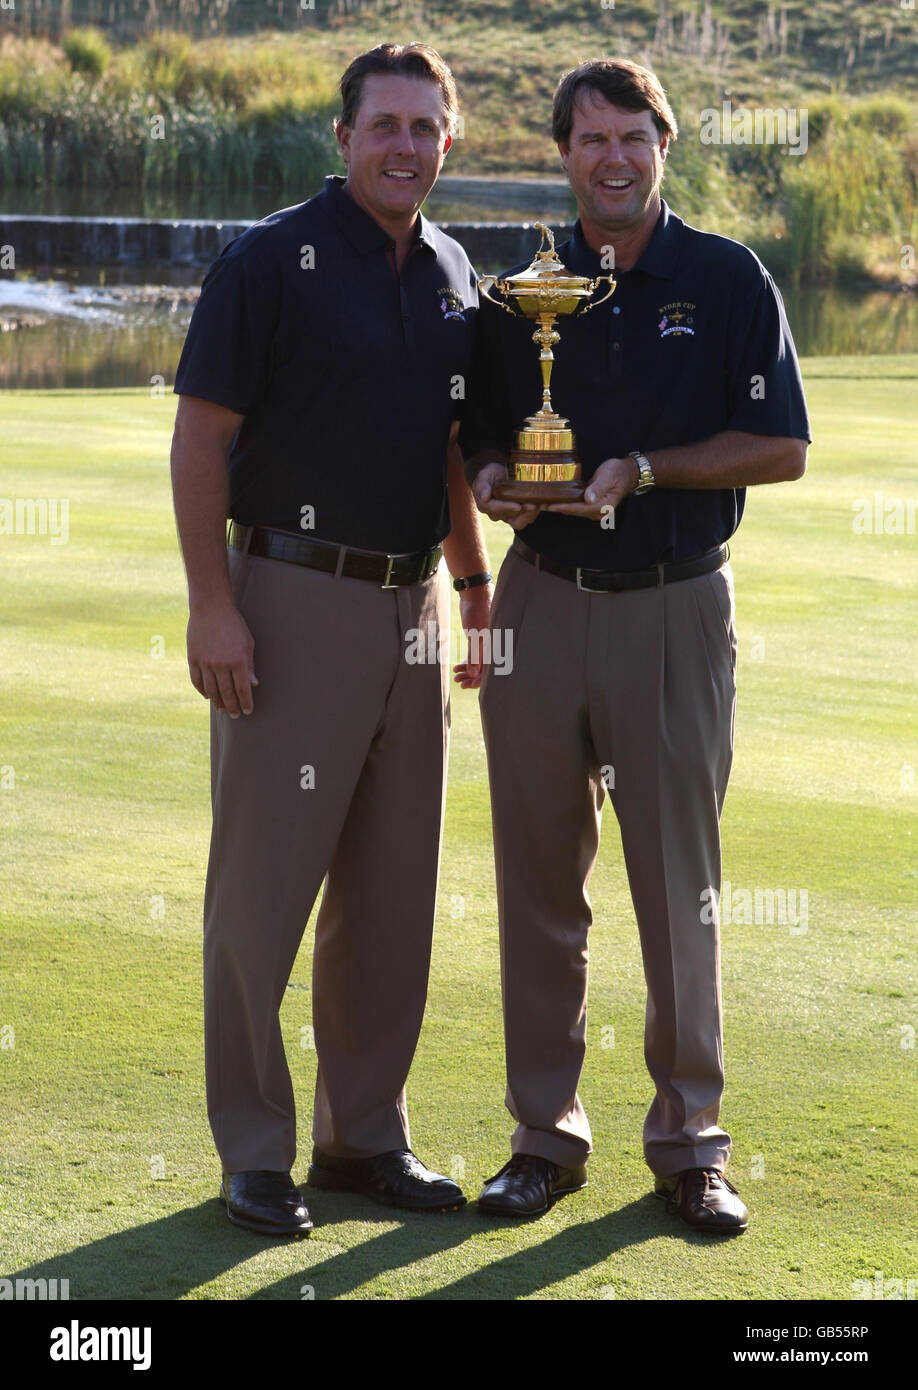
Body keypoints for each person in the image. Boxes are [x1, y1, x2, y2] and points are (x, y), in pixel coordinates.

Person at [460, 59, 811, 1232]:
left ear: (664, 145)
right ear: (563, 153)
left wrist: (648, 470)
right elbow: (475, 441)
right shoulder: (524, 290)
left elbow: (780, 445)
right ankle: (542, 1140)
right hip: (542, 597)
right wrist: (498, 478)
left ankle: (690, 1144)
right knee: (537, 882)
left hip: (674, 601)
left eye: (632, 138)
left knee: (679, 889)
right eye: (588, 139)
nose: (611, 158)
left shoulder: (725, 278)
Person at [169, 42, 491, 1238]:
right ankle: (255, 1151)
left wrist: (472, 580)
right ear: (344, 136)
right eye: (385, 124)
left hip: (415, 611)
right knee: (262, 891)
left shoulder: (459, 271)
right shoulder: (269, 261)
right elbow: (201, 440)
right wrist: (214, 605)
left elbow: (455, 451)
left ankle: (364, 1139)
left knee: (395, 893)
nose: (406, 145)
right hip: (290, 596)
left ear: (448, 141)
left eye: (426, 126)